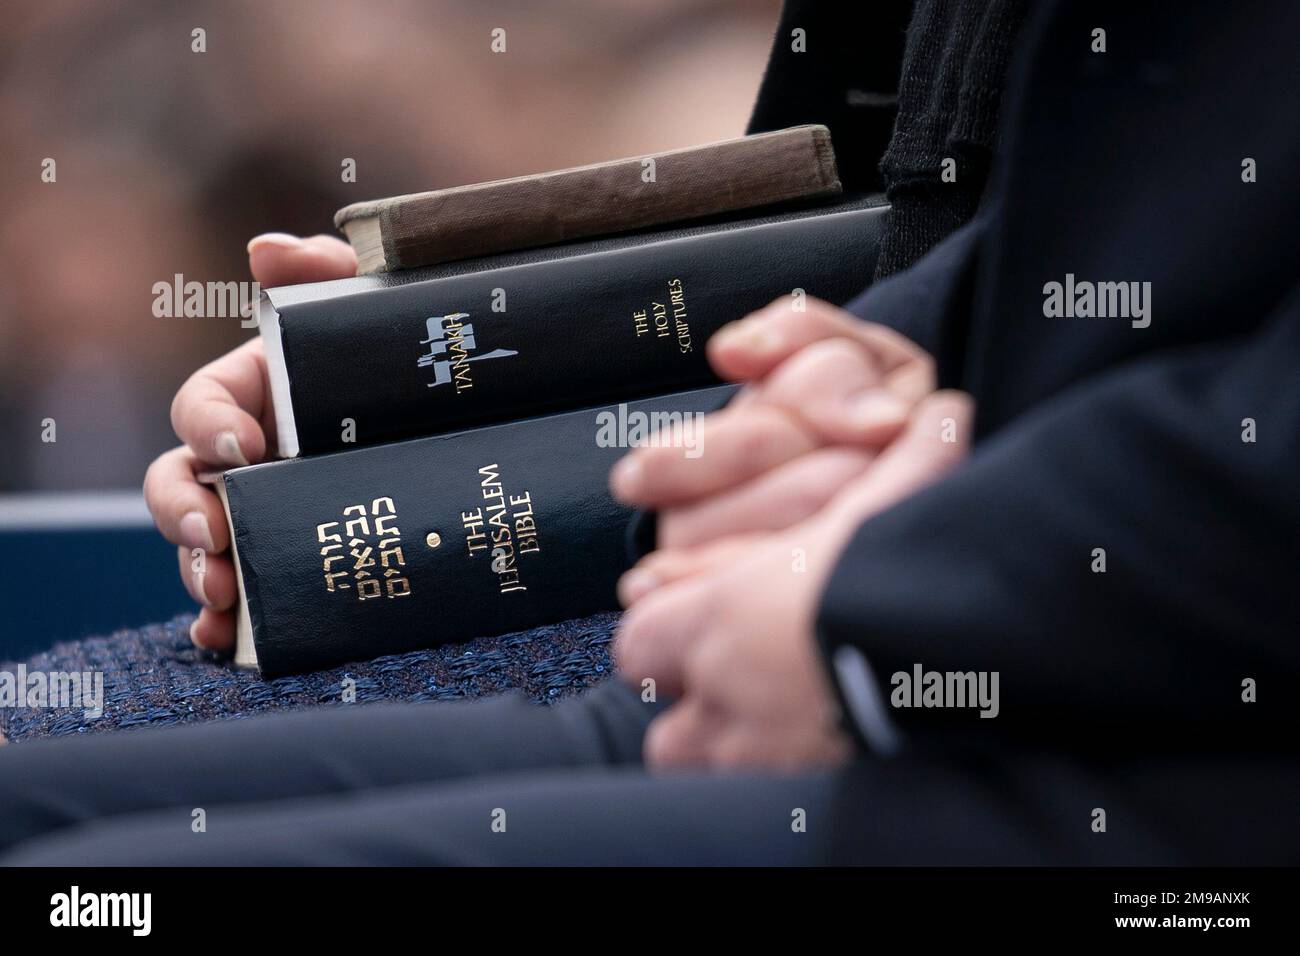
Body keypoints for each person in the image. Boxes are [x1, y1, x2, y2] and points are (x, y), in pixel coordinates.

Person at [2, 0, 1297, 865]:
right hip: (825, 574)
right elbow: (905, 225)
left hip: (1083, 707)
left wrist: (873, 614)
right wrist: (418, 364)